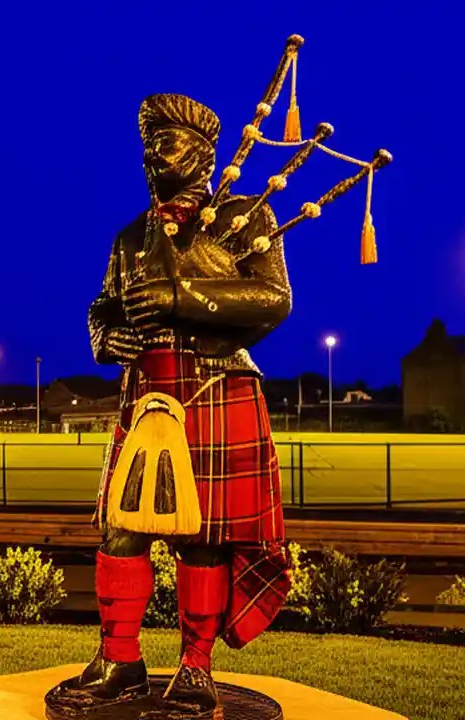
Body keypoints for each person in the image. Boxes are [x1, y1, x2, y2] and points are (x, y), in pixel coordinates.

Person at [76, 93, 292, 713]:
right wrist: (105, 338)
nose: (151, 155)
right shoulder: (129, 236)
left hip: (215, 386)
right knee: (122, 529)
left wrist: (181, 293)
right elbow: (103, 307)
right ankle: (120, 660)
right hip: (145, 391)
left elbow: (273, 300)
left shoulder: (245, 216)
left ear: (201, 154)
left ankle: (195, 667)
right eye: (147, 144)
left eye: (164, 142)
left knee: (202, 536)